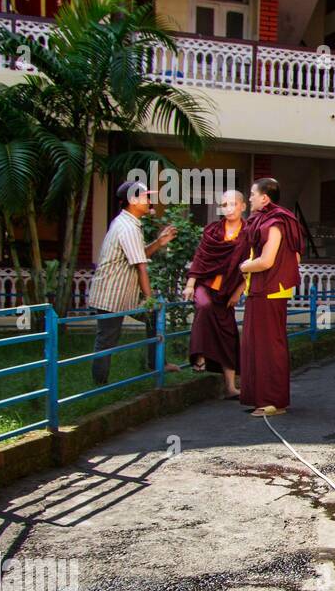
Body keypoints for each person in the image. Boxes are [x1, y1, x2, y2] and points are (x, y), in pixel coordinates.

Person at [85, 181, 180, 386]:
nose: (149, 201)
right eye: (146, 197)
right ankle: (98, 385)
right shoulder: (127, 227)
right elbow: (141, 266)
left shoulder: (128, 223)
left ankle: (156, 364)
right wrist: (149, 298)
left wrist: (159, 243)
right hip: (111, 295)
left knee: (153, 317)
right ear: (133, 200)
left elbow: (138, 255)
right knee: (107, 340)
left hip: (123, 294)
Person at [234, 177, 303, 417]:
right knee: (256, 344)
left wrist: (244, 266)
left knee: (269, 347)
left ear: (264, 197)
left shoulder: (275, 223)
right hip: (262, 291)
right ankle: (261, 399)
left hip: (270, 292)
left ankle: (273, 401)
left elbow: (267, 260)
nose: (249, 197)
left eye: (252, 194)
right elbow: (295, 258)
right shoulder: (267, 219)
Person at [183, 190, 248, 398]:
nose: (228, 209)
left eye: (232, 204)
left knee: (228, 334)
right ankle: (200, 356)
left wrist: (239, 292)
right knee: (204, 306)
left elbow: (250, 265)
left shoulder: (249, 233)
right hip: (205, 284)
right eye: (224, 205)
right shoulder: (212, 231)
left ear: (242, 206)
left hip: (228, 290)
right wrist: (190, 284)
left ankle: (230, 387)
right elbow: (200, 257)